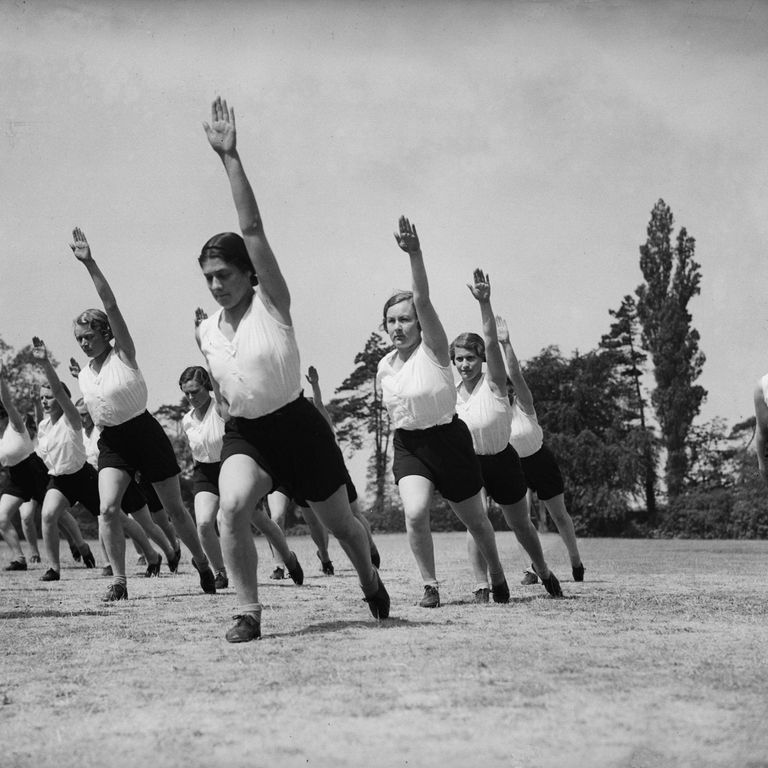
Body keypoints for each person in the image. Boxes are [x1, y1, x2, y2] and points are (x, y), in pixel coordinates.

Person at [196, 97, 388, 642]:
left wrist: (230, 158)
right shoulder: (207, 331)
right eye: (208, 277)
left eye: (224, 273)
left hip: (298, 428)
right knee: (231, 508)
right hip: (248, 435)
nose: (216, 284)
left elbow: (253, 227)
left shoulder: (272, 304)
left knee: (341, 525)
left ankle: (370, 581)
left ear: (248, 273)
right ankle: (248, 612)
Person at [70, 227, 216, 601]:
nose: (84, 343)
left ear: (106, 334)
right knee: (107, 509)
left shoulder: (123, 354)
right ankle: (119, 581)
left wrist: (90, 264)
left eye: (89, 336)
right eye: (79, 338)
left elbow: (111, 305)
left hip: (145, 433)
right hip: (113, 441)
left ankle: (202, 562)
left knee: (175, 511)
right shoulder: (84, 374)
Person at [377, 218, 509, 608]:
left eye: (405, 319)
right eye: (391, 321)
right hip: (409, 445)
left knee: (476, 521)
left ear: (419, 324)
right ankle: (430, 585)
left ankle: (497, 575)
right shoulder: (384, 366)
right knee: (416, 512)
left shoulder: (433, 350)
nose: (398, 327)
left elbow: (422, 298)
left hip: (448, 440)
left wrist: (415, 254)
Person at [452, 271, 562, 601]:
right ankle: (481, 584)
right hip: (470, 464)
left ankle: (543, 570)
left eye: (470, 358)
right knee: (475, 523)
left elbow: (490, 341)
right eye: (459, 359)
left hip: (502, 460)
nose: (464, 364)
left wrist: (484, 303)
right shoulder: (451, 393)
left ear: (482, 360)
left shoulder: (494, 383)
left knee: (520, 524)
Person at [178, 363, 305, 591]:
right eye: (186, 393)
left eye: (195, 391)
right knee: (204, 524)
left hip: (231, 468)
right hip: (205, 472)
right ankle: (220, 572)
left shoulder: (220, 408)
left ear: (207, 387)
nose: (190, 397)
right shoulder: (187, 419)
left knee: (261, 521)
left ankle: (288, 558)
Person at [268, 366, 381, 578]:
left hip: (332, 471)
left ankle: (368, 548)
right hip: (294, 474)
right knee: (303, 520)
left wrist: (315, 385)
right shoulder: (285, 423)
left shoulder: (320, 421)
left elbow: (319, 404)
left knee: (352, 514)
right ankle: (293, 563)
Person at [496, 315, 585, 582]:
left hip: (540, 460)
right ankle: (534, 567)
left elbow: (515, 374)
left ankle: (576, 561)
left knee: (559, 515)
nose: (506, 391)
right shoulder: (495, 413)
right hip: (515, 466)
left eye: (509, 388)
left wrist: (506, 344)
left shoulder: (524, 404)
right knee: (521, 520)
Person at [29, 337, 103, 580]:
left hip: (84, 476)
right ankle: (54, 568)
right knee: (48, 515)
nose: (45, 401)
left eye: (49, 397)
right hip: (60, 480)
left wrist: (45, 364)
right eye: (42, 397)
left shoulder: (71, 418)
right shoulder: (43, 426)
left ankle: (155, 554)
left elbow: (60, 392)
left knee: (115, 518)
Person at [0, 360, 50, 570]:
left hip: (34, 470)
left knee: (58, 515)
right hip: (16, 476)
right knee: (2, 518)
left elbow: (7, 401)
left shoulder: (15, 424)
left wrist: (1, 378)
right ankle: (20, 558)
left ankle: (80, 546)